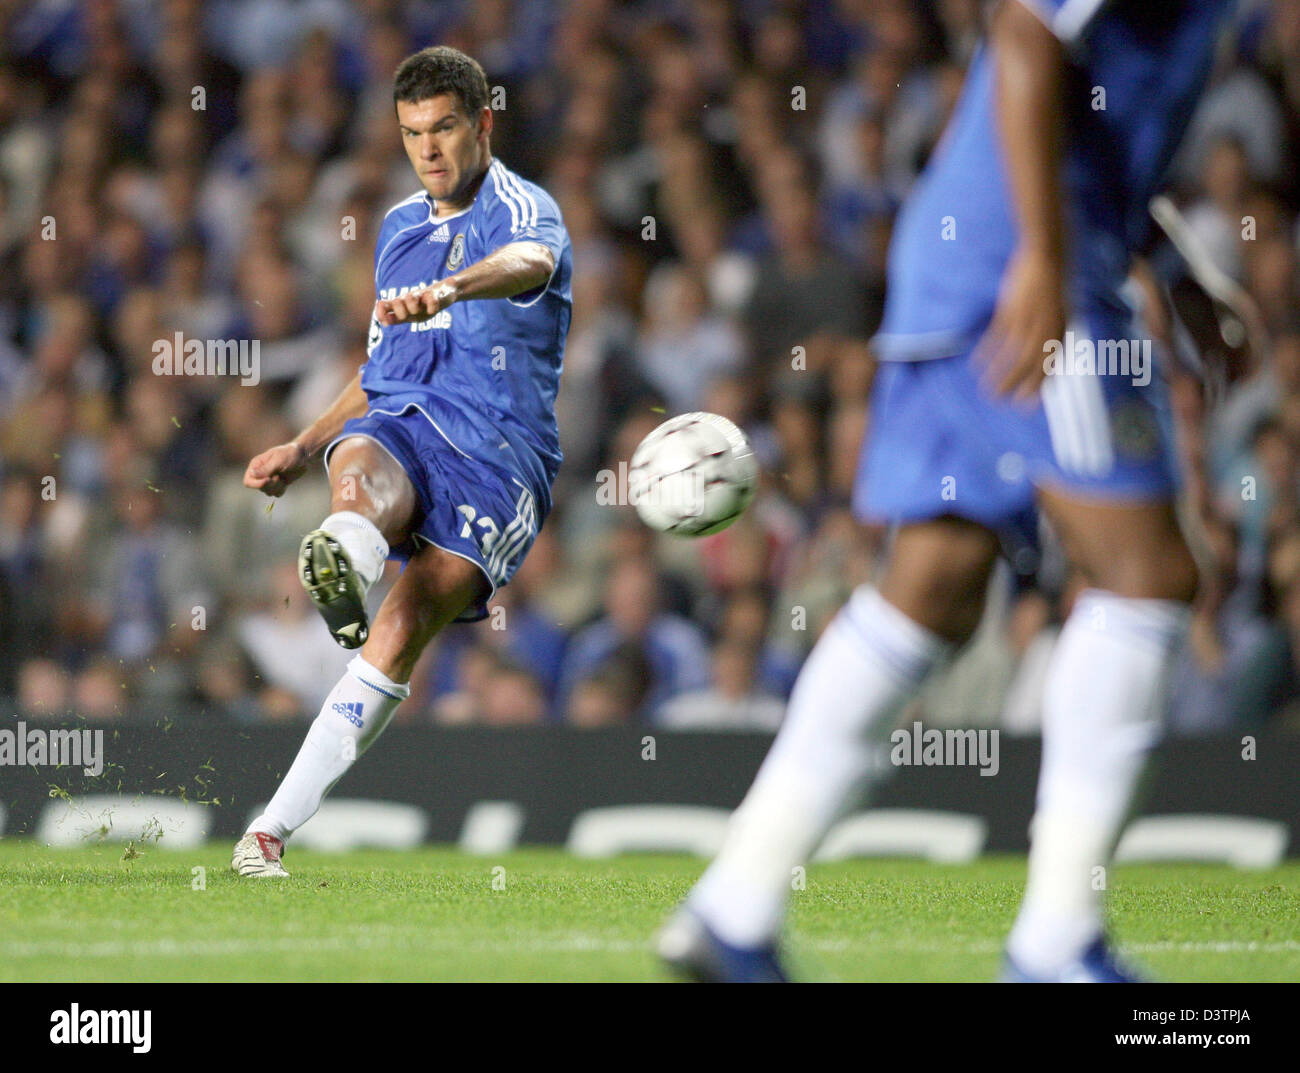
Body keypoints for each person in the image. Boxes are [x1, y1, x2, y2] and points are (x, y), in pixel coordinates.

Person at [658, 0, 1234, 981]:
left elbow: (1102, 135)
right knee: (1146, 580)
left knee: (932, 585)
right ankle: (1056, 943)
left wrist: (1176, 274)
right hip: (1021, 276)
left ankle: (733, 904)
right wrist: (1045, 261)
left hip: (963, 271)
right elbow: (1021, 34)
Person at [231, 46, 572, 877]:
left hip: (500, 455)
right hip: (408, 418)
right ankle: (345, 548)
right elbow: (379, 370)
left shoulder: (525, 210)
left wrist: (455, 288)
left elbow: (532, 264)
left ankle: (275, 820)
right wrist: (303, 442)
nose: (428, 149)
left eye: (445, 127)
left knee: (401, 626)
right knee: (365, 458)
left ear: (481, 122)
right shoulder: (396, 229)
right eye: (413, 132)